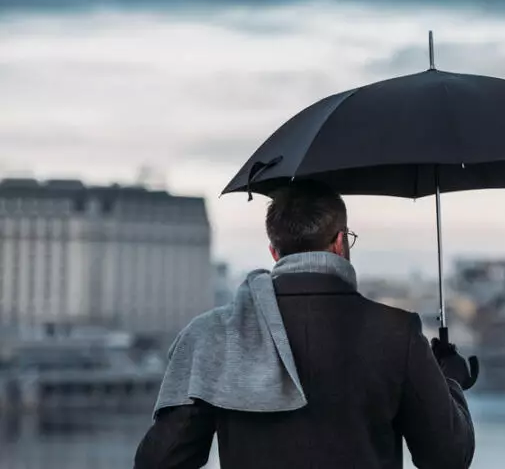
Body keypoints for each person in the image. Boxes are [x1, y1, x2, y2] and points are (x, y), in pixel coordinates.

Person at [134, 180, 476, 469]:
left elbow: (162, 460)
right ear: (340, 242)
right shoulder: (396, 332)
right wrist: (450, 380)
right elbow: (448, 458)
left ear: (274, 251)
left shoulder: (215, 334)